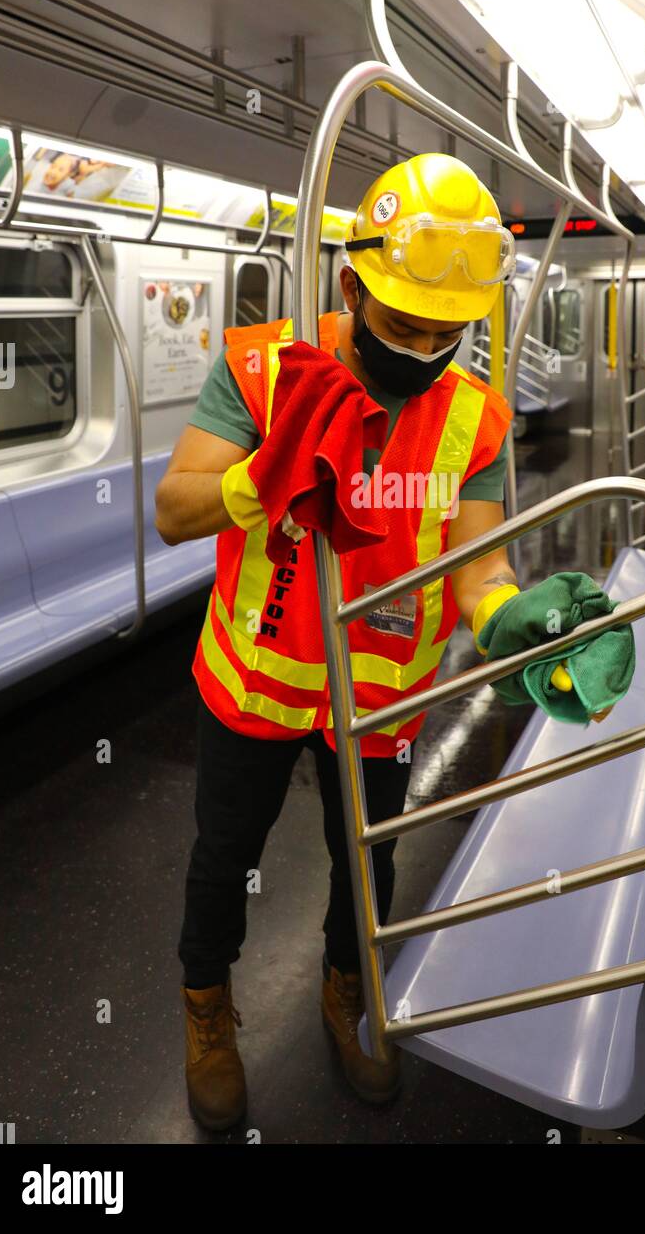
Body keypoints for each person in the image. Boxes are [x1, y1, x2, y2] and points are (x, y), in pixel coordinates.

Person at [156, 152, 530, 1130]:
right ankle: (206, 1009)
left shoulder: (475, 421)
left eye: (446, 331)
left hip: (382, 701)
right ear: (350, 284)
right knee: (223, 850)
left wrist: (515, 621)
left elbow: (479, 568)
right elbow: (173, 510)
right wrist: (260, 478)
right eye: (403, 323)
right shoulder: (261, 369)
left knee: (364, 860)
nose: (425, 347)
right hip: (253, 682)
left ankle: (342, 990)